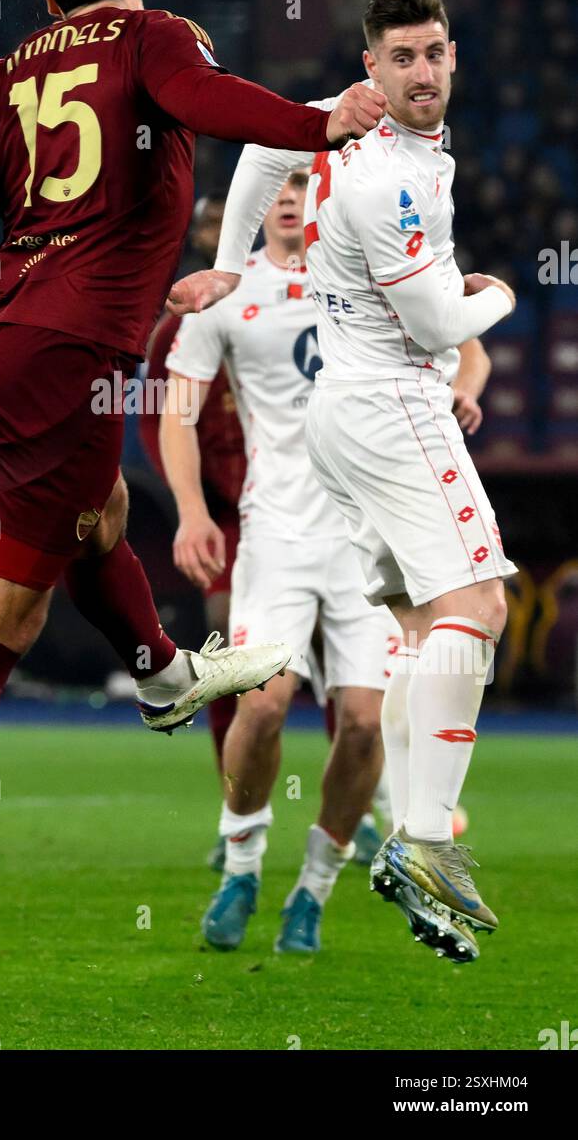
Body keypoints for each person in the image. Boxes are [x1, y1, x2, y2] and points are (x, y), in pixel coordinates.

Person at [0, 0, 385, 993]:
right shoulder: (149, 37)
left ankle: (156, 673)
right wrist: (317, 122)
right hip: (63, 356)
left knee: (99, 513)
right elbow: (210, 95)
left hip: (5, 336)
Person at [168, 0, 516, 964]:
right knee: (477, 606)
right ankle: (416, 843)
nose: (418, 71)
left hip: (344, 424)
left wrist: (231, 255)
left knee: (411, 637)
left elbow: (269, 145)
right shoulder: (391, 178)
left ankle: (401, 837)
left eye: (431, 53)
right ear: (371, 66)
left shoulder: (353, 134)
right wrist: (494, 297)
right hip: (381, 412)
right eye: (399, 57)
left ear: (451, 57)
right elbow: (440, 325)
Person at [162, 171, 399, 952]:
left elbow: (459, 343)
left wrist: (474, 310)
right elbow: (177, 413)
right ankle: (242, 863)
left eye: (304, 180)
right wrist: (194, 513)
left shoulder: (369, 271)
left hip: (369, 540)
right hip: (277, 535)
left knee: (364, 726)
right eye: (276, 184)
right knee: (261, 704)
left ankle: (315, 889)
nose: (290, 196)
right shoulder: (225, 293)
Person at [139, 191, 245, 828]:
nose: (214, 231)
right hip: (229, 512)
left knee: (354, 657)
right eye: (206, 221)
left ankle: (372, 800)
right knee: (227, 635)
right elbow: (158, 420)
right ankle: (236, 809)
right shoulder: (179, 326)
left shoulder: (313, 293)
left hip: (315, 503)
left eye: (222, 220)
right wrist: (191, 504)